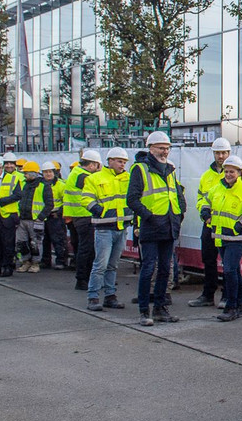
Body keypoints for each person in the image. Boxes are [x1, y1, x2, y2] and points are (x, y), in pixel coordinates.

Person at [127, 132, 185, 326]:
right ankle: (145, 311)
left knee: (164, 270)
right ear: (151, 148)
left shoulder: (170, 169)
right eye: (161, 148)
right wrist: (148, 216)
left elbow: (176, 193)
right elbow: (132, 199)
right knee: (148, 268)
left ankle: (160, 308)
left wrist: (179, 214)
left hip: (169, 225)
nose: (165, 151)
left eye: (167, 148)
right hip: (152, 226)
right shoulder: (140, 169)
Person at [209, 154, 242, 322]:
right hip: (221, 236)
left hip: (237, 238)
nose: (229, 174)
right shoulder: (218, 188)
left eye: (232, 171)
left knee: (229, 270)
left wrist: (238, 227)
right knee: (234, 269)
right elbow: (205, 200)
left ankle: (231, 307)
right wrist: (204, 212)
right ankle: (240, 304)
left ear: (240, 173)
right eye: (226, 171)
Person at [188, 137, 232, 308]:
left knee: (228, 263)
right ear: (213, 153)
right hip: (209, 224)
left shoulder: (238, 173)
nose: (221, 156)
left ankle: (227, 295)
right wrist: (204, 213)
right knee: (208, 259)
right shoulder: (206, 176)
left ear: (229, 153)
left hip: (227, 226)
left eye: (224, 153)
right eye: (218, 153)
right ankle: (208, 294)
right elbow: (201, 198)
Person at [86, 148, 130, 312]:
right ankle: (93, 296)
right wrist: (99, 211)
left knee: (112, 265)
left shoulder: (128, 178)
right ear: (110, 161)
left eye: (124, 162)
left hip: (121, 227)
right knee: (101, 265)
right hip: (104, 228)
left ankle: (110, 296)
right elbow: (86, 198)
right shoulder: (95, 178)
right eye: (119, 161)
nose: (122, 165)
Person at [63, 150, 102, 291]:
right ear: (92, 165)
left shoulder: (76, 173)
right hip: (84, 216)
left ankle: (85, 278)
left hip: (78, 216)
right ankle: (83, 279)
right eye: (98, 165)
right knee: (87, 249)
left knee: (83, 248)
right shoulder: (84, 176)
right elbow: (98, 185)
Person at [14, 160, 48, 272]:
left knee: (36, 243)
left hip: (35, 219)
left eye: (26, 173)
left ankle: (35, 263)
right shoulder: (23, 184)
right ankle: (25, 262)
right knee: (21, 242)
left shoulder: (44, 186)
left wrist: (40, 217)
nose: (24, 175)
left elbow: (49, 204)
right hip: (22, 219)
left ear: (33, 173)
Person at [40, 161, 69, 270]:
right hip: (43, 216)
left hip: (55, 216)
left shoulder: (61, 185)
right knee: (45, 240)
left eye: (50, 172)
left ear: (54, 172)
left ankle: (61, 261)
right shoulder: (40, 185)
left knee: (58, 240)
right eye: (45, 172)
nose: (48, 174)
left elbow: (66, 201)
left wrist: (59, 213)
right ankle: (46, 261)